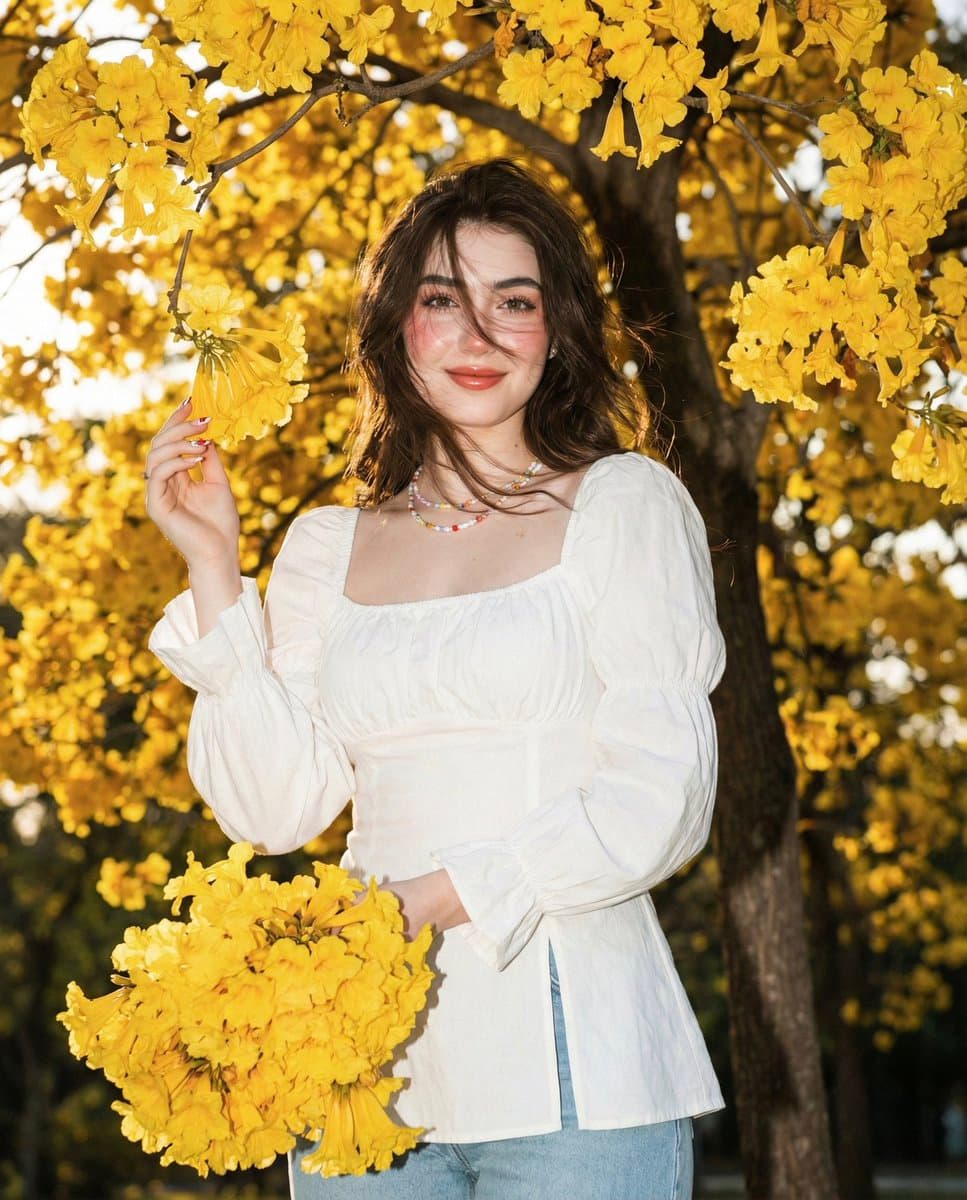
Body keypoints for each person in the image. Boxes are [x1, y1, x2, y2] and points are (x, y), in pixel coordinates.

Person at [144, 158, 727, 1200]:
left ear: (557, 332)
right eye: (440, 301)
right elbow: (274, 809)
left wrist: (429, 901)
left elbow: (659, 799)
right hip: (356, 1076)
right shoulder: (325, 545)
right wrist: (210, 567)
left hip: (577, 1077)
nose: (478, 336)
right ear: (393, 329)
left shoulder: (625, 505)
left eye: (515, 301)